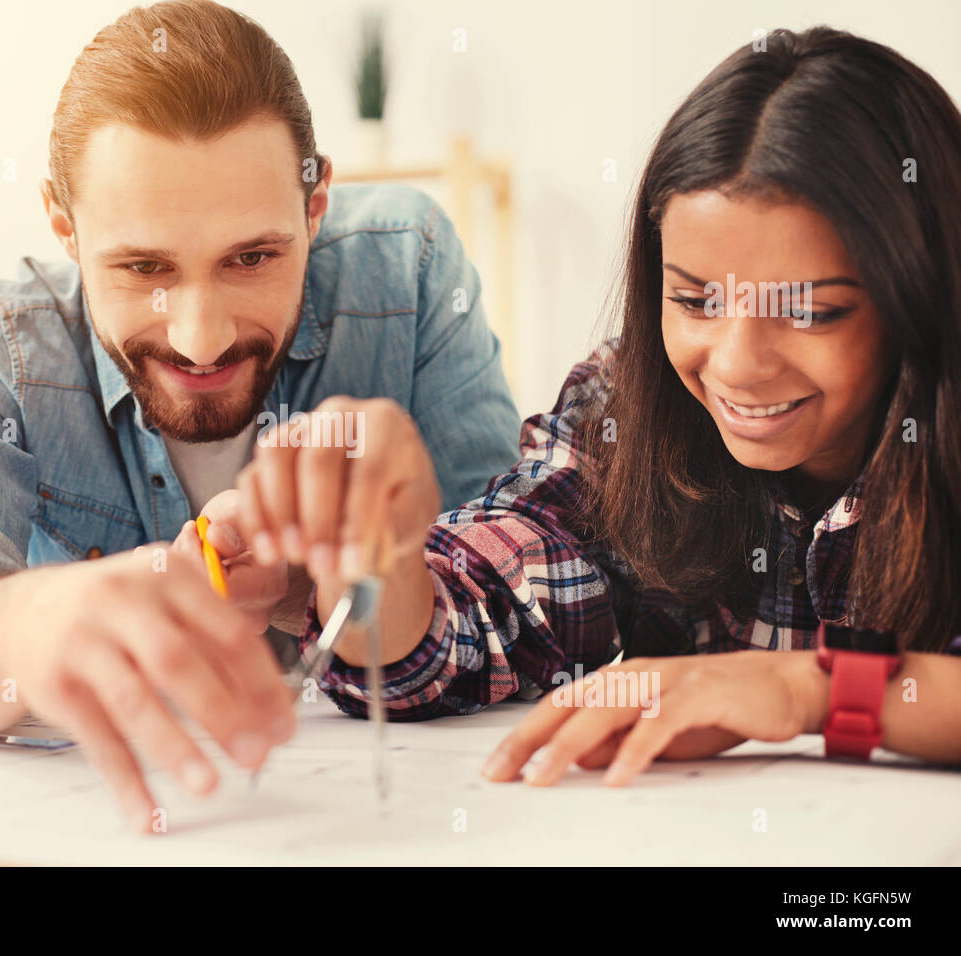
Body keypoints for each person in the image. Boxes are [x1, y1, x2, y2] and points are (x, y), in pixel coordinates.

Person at [0, 0, 521, 827]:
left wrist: (319, 581)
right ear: (64, 223)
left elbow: (511, 607)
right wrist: (14, 623)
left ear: (316, 208)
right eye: (143, 267)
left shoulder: (407, 274)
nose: (202, 342)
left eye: (253, 258)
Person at [233, 27, 961, 779]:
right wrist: (375, 561)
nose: (740, 364)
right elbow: (468, 621)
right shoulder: (622, 406)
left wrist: (811, 689)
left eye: (808, 312)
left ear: (922, 291)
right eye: (696, 299)